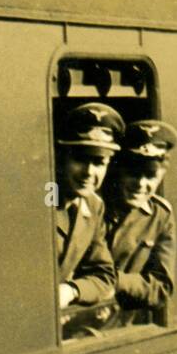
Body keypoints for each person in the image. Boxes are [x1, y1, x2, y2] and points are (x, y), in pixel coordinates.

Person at [100, 119, 177, 327]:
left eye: (151, 176)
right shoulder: (94, 208)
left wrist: (115, 282)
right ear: (119, 170)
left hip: (120, 327)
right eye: (134, 173)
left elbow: (161, 288)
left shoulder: (160, 216)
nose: (141, 184)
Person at [54, 103, 119, 314]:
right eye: (80, 159)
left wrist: (72, 290)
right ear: (62, 156)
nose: (89, 172)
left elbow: (105, 276)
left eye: (99, 162)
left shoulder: (93, 206)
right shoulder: (40, 203)